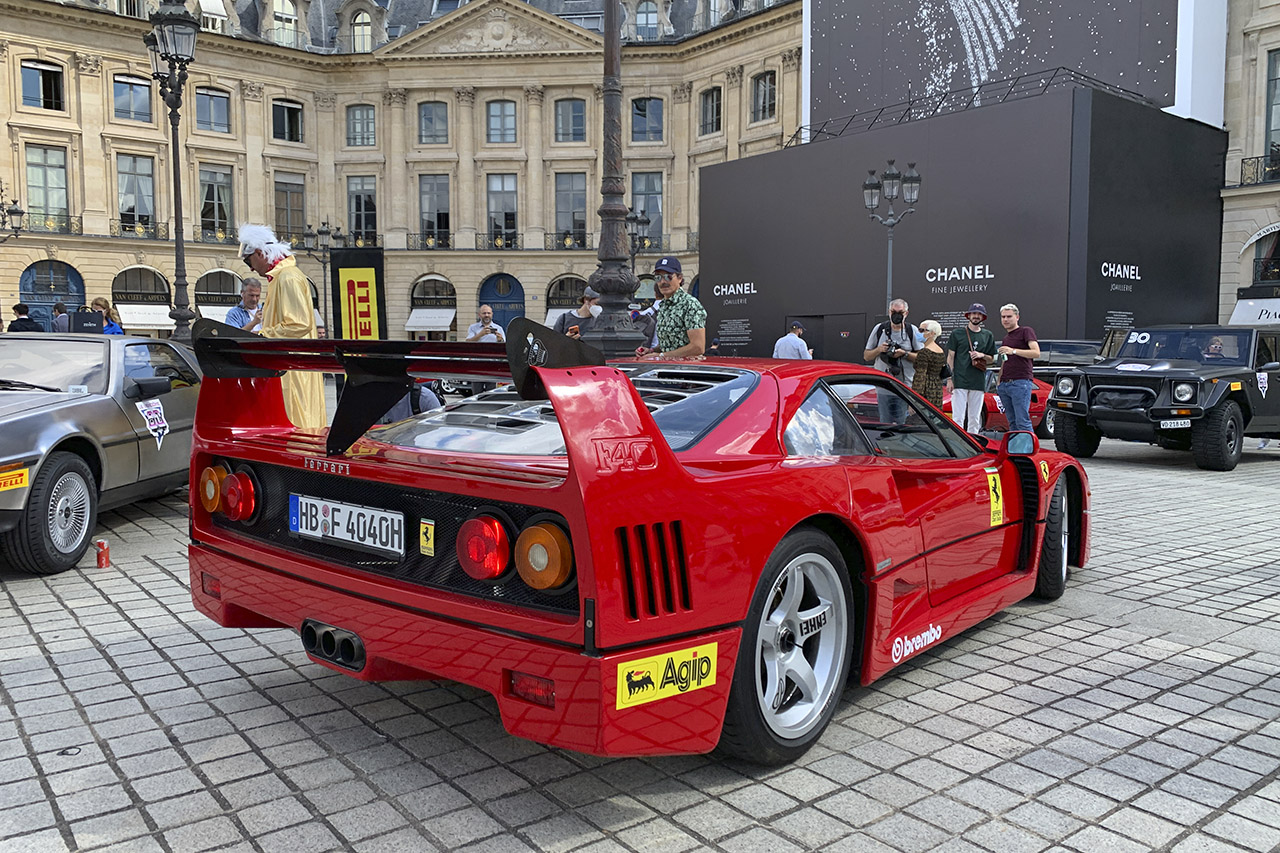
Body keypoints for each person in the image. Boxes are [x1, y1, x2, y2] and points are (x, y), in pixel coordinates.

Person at [238, 224, 326, 429]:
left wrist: (261, 335)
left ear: (259, 253)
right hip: (289, 366)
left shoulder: (287, 278)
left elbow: (298, 324)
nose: (251, 268)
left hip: (293, 370)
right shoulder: (283, 278)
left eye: (249, 261)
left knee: (296, 421)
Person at [863, 298, 922, 424]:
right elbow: (867, 356)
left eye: (900, 312)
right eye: (893, 312)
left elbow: (922, 357)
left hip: (904, 387)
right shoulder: (880, 329)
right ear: (889, 312)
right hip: (883, 386)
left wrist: (904, 354)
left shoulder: (912, 330)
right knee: (884, 424)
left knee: (903, 424)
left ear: (906, 313)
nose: (896, 316)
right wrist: (880, 349)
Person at [635, 257, 707, 358]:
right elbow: (670, 345)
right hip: (667, 368)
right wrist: (651, 350)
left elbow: (698, 347)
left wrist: (660, 356)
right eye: (658, 278)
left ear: (680, 278)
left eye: (668, 277)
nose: (663, 282)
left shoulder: (690, 304)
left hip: (687, 370)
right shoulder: (663, 306)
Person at [945, 302, 998, 433]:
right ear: (968, 315)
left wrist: (982, 355)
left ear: (983, 317)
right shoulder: (957, 333)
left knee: (975, 418)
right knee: (958, 417)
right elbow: (950, 357)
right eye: (974, 313)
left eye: (979, 314)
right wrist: (949, 379)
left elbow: (992, 358)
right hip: (959, 380)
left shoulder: (987, 335)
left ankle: (973, 444)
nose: (976, 316)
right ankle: (957, 445)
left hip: (978, 380)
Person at [995, 303, 1040, 433]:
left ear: (1017, 317)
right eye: (1003, 317)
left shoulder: (1026, 331)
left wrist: (1013, 351)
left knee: (1022, 420)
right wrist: (999, 381)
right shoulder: (1006, 338)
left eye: (1009, 316)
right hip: (1005, 383)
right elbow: (1005, 361)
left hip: (1020, 382)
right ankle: (1016, 449)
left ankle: (1029, 450)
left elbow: (1036, 352)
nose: (1006, 319)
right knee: (1012, 421)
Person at [912, 320, 947, 408]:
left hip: (925, 390)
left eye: (921, 330)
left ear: (932, 333)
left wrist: (915, 399)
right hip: (937, 389)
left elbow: (920, 376)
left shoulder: (924, 352)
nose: (918, 333)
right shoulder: (940, 351)